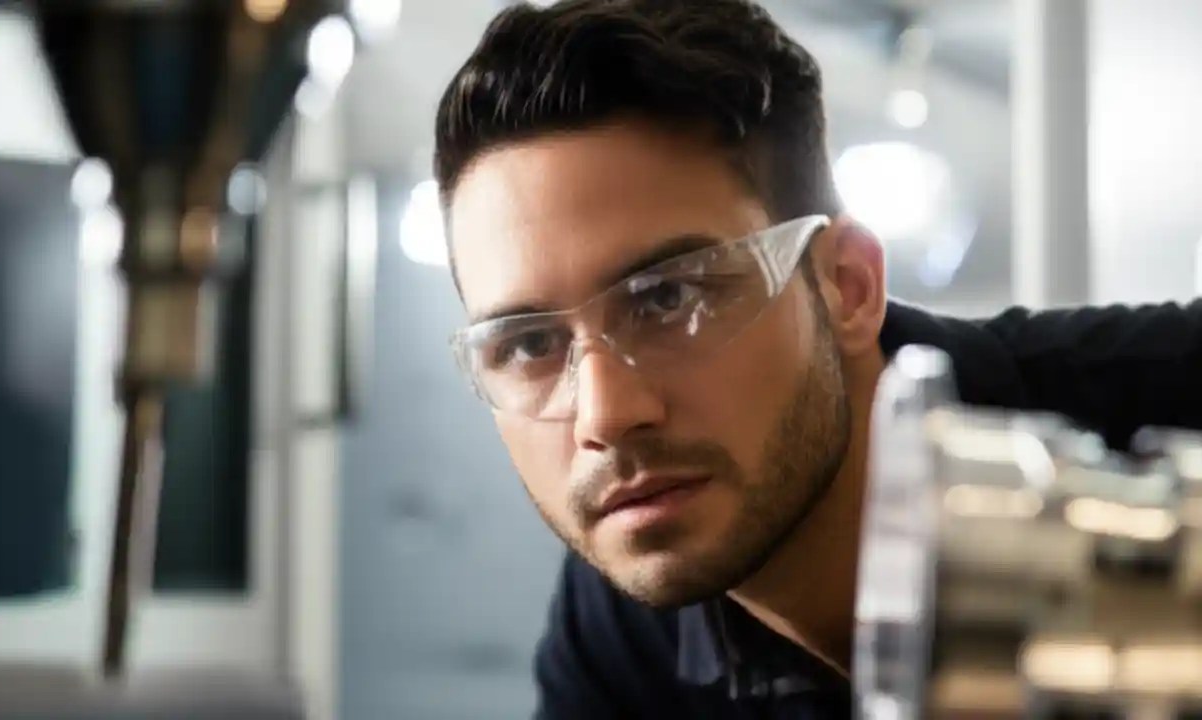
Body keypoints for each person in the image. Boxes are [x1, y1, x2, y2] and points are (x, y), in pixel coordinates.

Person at [432, 0, 1202, 717]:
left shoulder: (1165, 401)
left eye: (670, 300)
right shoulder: (624, 625)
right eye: (530, 343)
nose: (606, 416)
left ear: (847, 285)